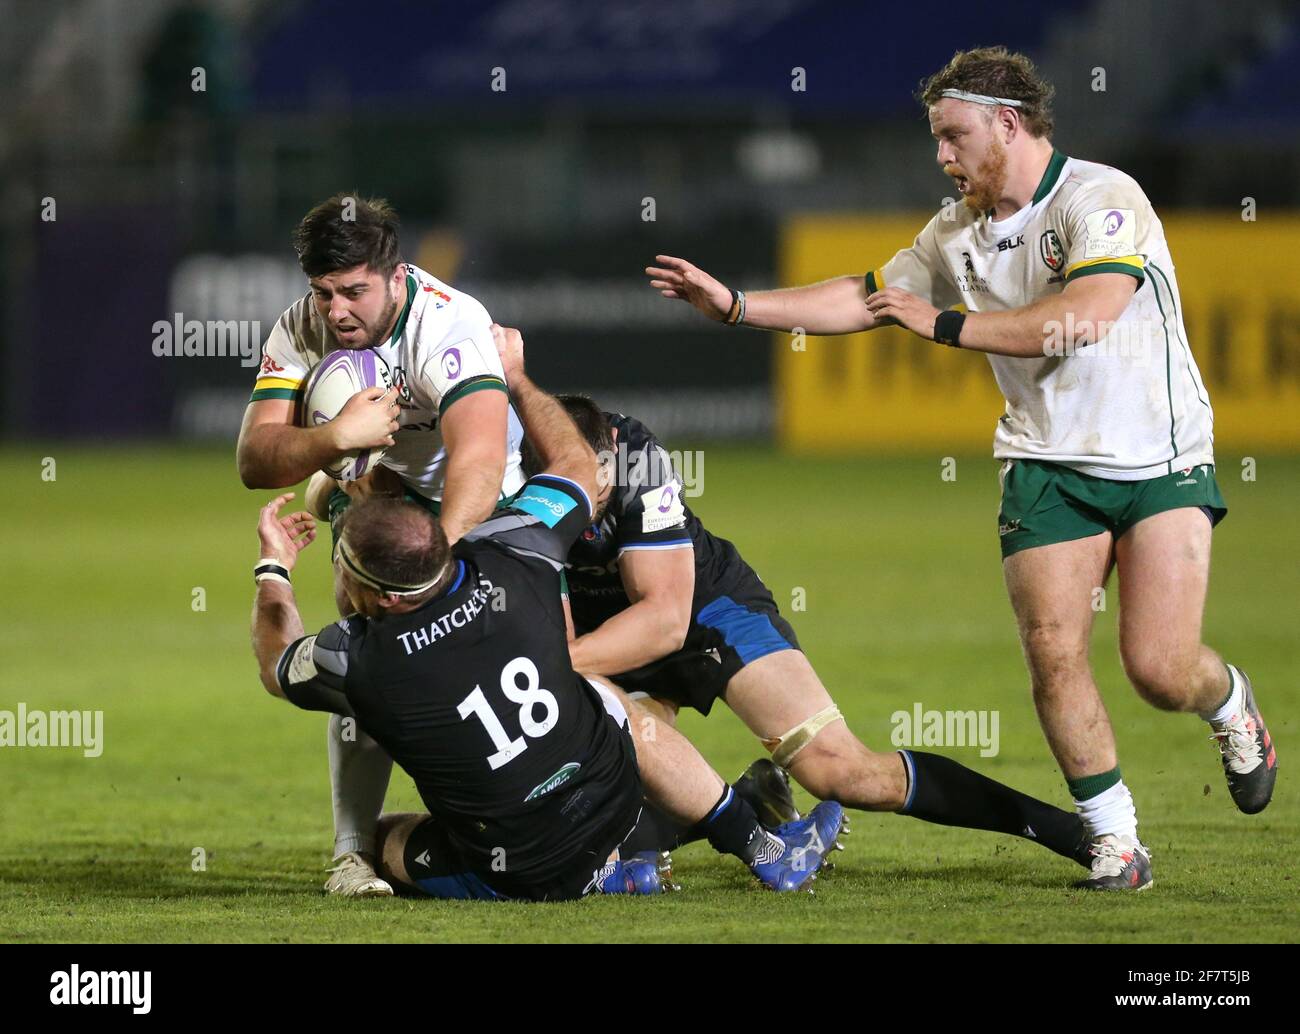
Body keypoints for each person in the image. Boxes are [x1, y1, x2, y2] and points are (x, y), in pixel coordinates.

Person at [644, 46, 1276, 891]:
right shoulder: (956, 232)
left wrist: (939, 325)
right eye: (937, 139)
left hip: (1156, 454)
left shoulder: (1103, 198)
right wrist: (737, 306)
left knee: (1161, 669)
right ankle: (1116, 841)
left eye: (953, 137)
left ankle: (1229, 701)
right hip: (1044, 462)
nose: (942, 157)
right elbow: (865, 296)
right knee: (1054, 653)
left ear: (1007, 125)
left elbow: (1083, 319)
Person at [248, 328, 846, 900]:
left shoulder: (363, 658)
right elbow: (576, 467)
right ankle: (759, 847)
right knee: (610, 704)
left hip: (522, 868)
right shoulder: (516, 556)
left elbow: (277, 663)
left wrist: (274, 566)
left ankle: (605, 870)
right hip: (609, 800)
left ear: (379, 597)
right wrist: (516, 378)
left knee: (383, 839)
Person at [531, 394, 1092, 868]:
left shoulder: (637, 457)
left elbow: (664, 619)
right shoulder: (508, 475)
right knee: (597, 825)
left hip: (702, 609)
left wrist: (555, 665)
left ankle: (1063, 830)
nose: (594, 489)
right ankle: (748, 804)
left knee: (842, 772)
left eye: (599, 471)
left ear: (610, 447)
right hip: (597, 631)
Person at [237, 193, 524, 896]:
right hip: (379, 507)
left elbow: (480, 458)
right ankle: (353, 854)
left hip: (489, 512)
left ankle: (591, 826)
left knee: (541, 667)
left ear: (397, 277)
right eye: (323, 292)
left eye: (354, 291)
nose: (336, 311)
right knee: (362, 672)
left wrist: (437, 562)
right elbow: (254, 459)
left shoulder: (450, 322)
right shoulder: (300, 327)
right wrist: (335, 440)